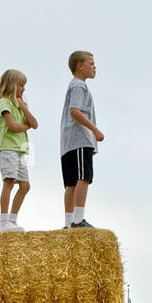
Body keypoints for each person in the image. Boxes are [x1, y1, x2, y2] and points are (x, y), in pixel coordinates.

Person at [60, 50, 101, 229]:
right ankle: (78, 219)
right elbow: (74, 111)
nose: (94, 67)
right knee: (83, 177)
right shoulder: (79, 86)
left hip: (68, 142)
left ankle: (69, 223)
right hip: (80, 139)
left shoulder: (73, 85)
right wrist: (95, 129)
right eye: (91, 63)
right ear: (80, 65)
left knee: (70, 183)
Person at [0, 69, 36, 232]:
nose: (23, 89)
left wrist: (24, 107)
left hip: (21, 150)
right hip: (7, 148)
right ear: (12, 85)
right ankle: (3, 221)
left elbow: (35, 123)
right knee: (9, 182)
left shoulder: (20, 105)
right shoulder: (4, 102)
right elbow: (12, 125)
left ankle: (12, 220)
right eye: (20, 85)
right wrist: (26, 126)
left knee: (25, 186)